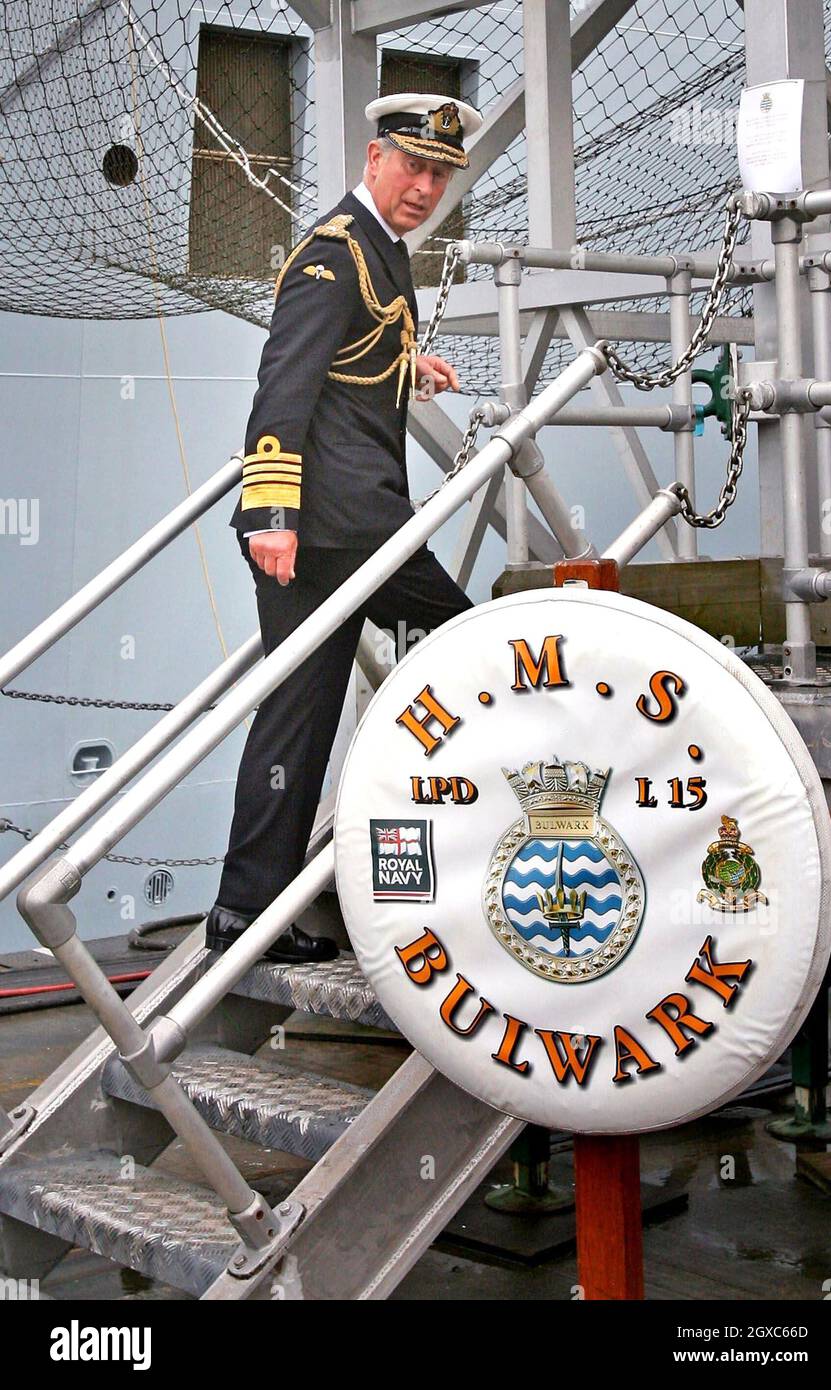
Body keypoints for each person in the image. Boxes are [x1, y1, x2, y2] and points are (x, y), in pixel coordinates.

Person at [205, 92, 483, 963]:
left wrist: (411, 365)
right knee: (487, 646)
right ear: (374, 158)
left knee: (298, 717)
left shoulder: (379, 250)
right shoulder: (335, 253)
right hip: (333, 527)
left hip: (339, 526)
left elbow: (349, 360)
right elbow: (283, 388)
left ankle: (244, 917)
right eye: (413, 166)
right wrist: (273, 516)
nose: (426, 186)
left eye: (440, 174)